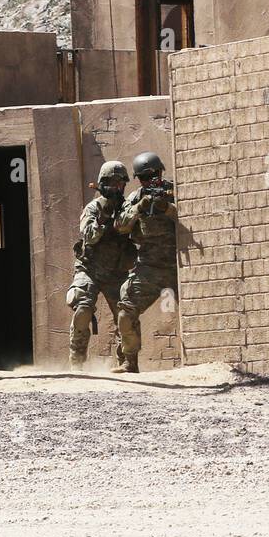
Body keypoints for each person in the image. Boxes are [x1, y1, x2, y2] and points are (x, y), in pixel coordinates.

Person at [66, 160, 135, 370]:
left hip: (117, 271)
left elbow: (139, 233)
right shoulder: (93, 208)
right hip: (89, 269)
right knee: (83, 308)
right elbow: (89, 236)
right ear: (102, 184)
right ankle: (77, 361)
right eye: (111, 183)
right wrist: (104, 216)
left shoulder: (127, 207)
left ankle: (127, 362)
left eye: (120, 183)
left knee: (126, 314)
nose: (116, 187)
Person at [112, 151, 178, 373]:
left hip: (179, 265)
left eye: (155, 176)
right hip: (149, 268)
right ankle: (129, 361)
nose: (151, 182)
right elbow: (120, 226)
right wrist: (139, 207)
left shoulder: (173, 191)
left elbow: (192, 217)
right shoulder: (136, 197)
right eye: (145, 178)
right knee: (125, 311)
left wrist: (166, 208)